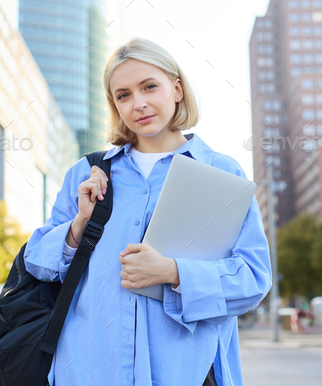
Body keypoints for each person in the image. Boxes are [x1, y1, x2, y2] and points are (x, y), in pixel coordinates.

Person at [25, 37, 272, 386]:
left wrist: (172, 272)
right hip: (89, 371)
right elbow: (37, 262)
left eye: (149, 87)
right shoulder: (87, 173)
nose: (138, 103)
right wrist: (79, 223)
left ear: (177, 89)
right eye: (123, 95)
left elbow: (253, 279)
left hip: (186, 373)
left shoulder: (220, 172)